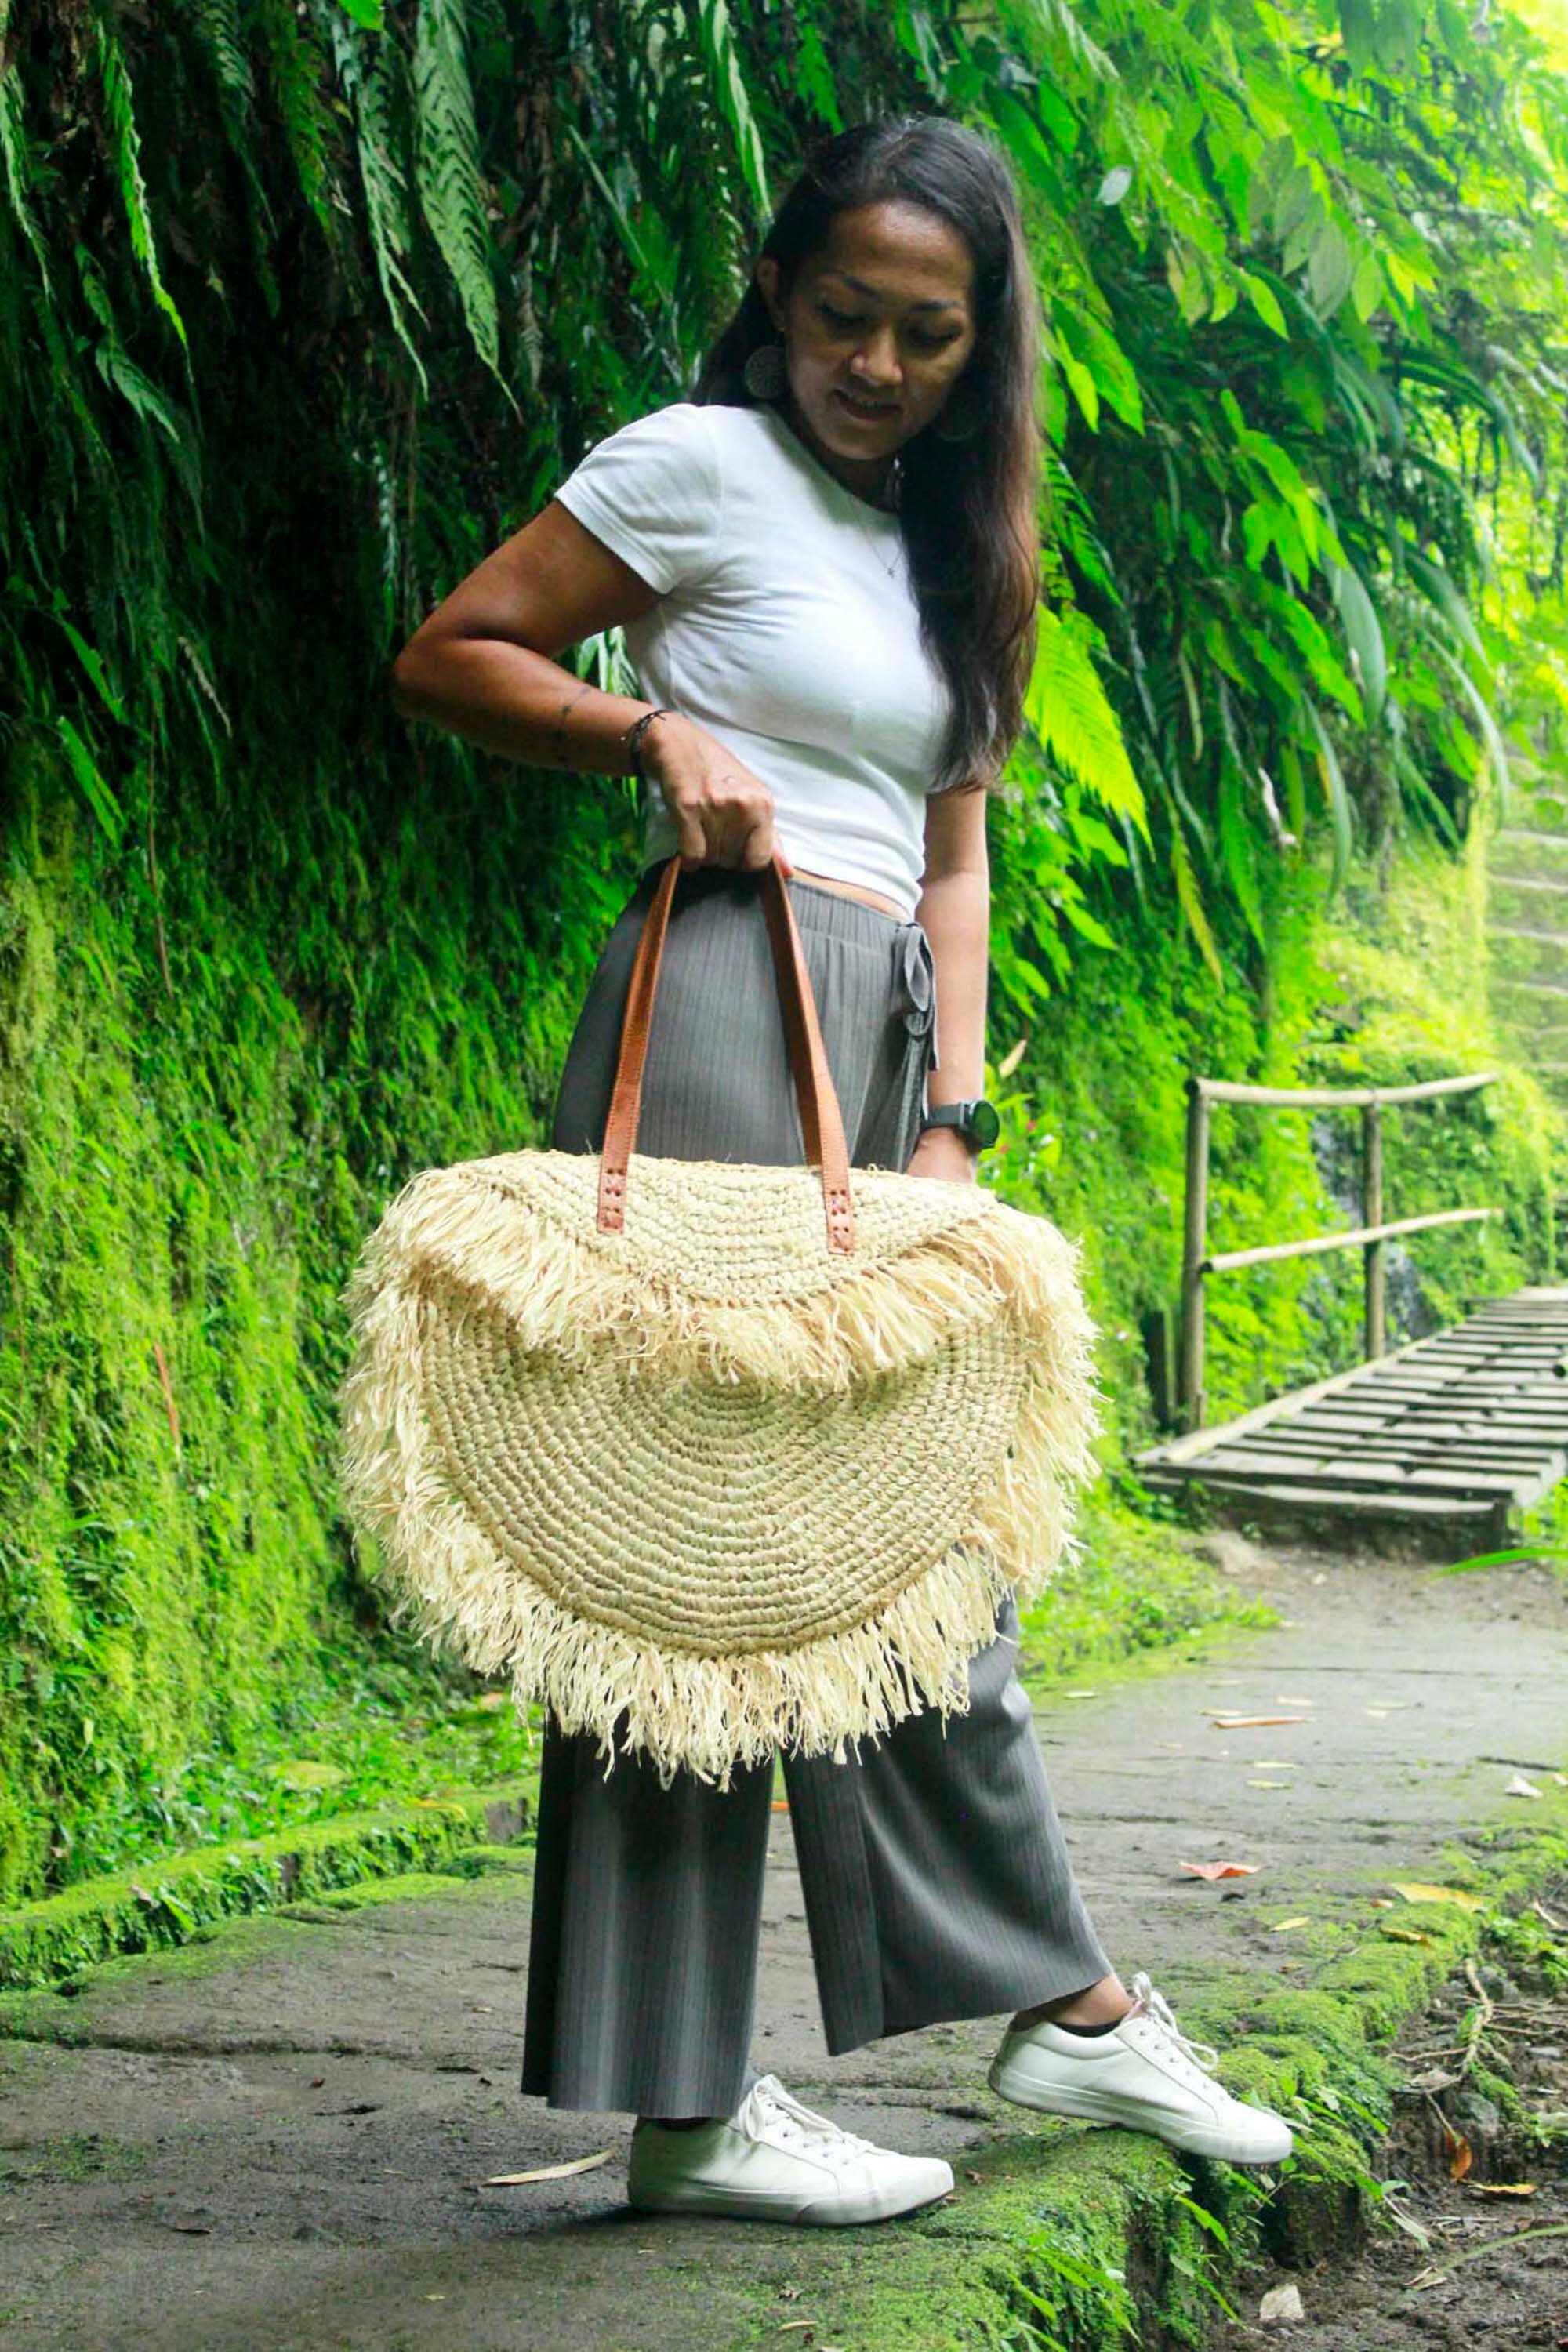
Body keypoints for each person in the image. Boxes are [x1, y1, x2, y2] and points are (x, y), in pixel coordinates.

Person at [390, 113, 1293, 2229]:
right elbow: (451, 650)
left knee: (911, 1539)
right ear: (779, 293)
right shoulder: (696, 469)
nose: (873, 366)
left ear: (980, 354)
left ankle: (1035, 2010)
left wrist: (956, 1117)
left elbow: (957, 849)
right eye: (841, 318)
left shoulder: (954, 545)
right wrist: (652, 737)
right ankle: (716, 2095)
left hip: (887, 1038)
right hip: (723, 996)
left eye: (924, 335)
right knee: (686, 1566)